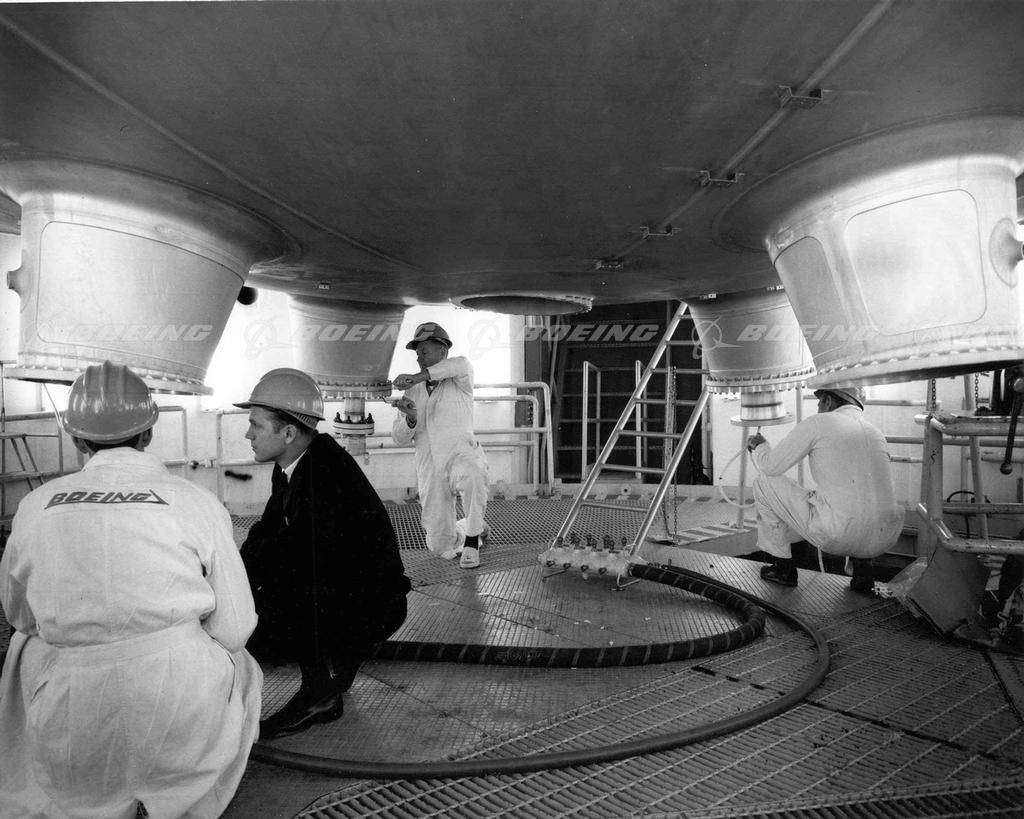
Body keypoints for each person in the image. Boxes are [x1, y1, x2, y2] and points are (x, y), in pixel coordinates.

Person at [0, 361, 261, 819]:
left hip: (75, 710)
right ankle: (182, 796)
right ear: (149, 432)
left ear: (76, 438)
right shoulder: (195, 501)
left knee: (27, 647)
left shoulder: (35, 505)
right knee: (243, 664)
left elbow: (19, 617)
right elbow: (236, 627)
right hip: (178, 703)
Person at [237, 367, 410, 739]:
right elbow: (266, 531)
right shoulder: (295, 463)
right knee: (271, 575)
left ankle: (320, 694)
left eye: (256, 425)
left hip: (374, 606)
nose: (248, 434)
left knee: (268, 607)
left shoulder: (322, 476)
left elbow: (296, 559)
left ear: (287, 433)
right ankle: (340, 668)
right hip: (357, 593)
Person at [746, 386, 905, 591]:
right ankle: (863, 573)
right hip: (885, 538)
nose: (819, 407)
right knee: (860, 499)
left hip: (837, 534)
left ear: (829, 400)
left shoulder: (819, 423)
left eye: (820, 402)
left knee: (763, 481)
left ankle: (782, 568)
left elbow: (770, 466)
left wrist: (760, 446)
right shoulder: (875, 432)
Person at [391, 322, 490, 569]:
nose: (419, 359)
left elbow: (458, 364)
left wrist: (416, 376)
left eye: (424, 352)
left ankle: (471, 542)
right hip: (429, 465)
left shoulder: (460, 375)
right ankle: (473, 527)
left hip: (460, 453)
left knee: (473, 476)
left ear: (442, 352)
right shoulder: (412, 391)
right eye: (417, 355)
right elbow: (399, 438)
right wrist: (411, 418)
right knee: (440, 545)